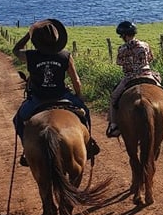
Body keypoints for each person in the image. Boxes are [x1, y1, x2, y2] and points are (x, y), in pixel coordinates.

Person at [12, 19, 100, 166]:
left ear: (37, 41)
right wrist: (79, 96)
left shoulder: (30, 55)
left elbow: (15, 50)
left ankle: (27, 150)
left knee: (18, 120)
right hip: (62, 95)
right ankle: (88, 144)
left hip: (38, 98)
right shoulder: (65, 56)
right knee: (85, 112)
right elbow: (76, 81)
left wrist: (29, 34)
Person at [106, 21, 163, 138]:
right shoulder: (145, 45)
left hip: (129, 78)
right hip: (147, 75)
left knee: (114, 97)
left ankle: (114, 125)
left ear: (124, 35)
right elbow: (150, 58)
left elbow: (119, 63)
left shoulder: (122, 49)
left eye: (121, 36)